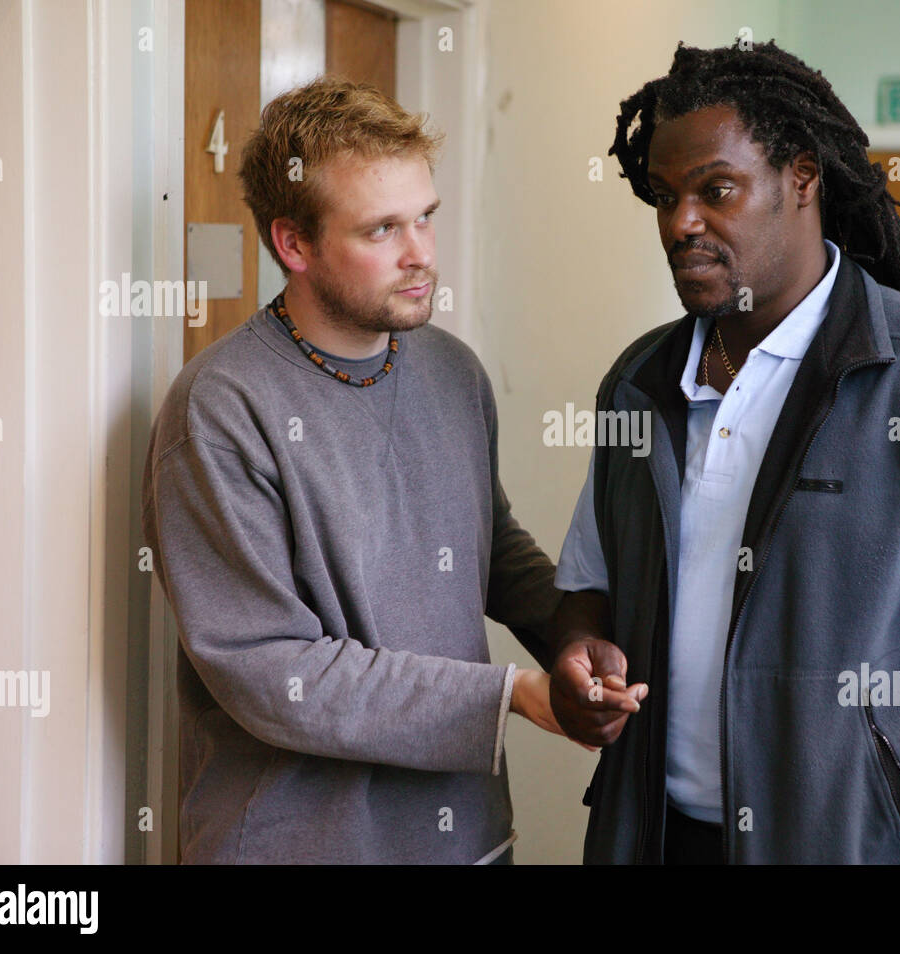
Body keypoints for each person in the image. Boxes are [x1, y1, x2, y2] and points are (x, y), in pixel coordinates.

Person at [548, 41, 900, 864]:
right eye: (663, 195)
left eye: (716, 189)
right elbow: (590, 585)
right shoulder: (638, 384)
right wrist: (578, 662)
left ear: (802, 177)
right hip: (651, 837)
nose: (681, 222)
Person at [142, 78, 583, 863]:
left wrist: (576, 634)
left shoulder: (453, 372)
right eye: (382, 229)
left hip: (466, 836)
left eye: (425, 218)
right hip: (302, 844)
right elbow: (271, 669)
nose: (420, 254)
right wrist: (508, 694)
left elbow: (489, 546)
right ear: (294, 244)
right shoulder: (219, 408)